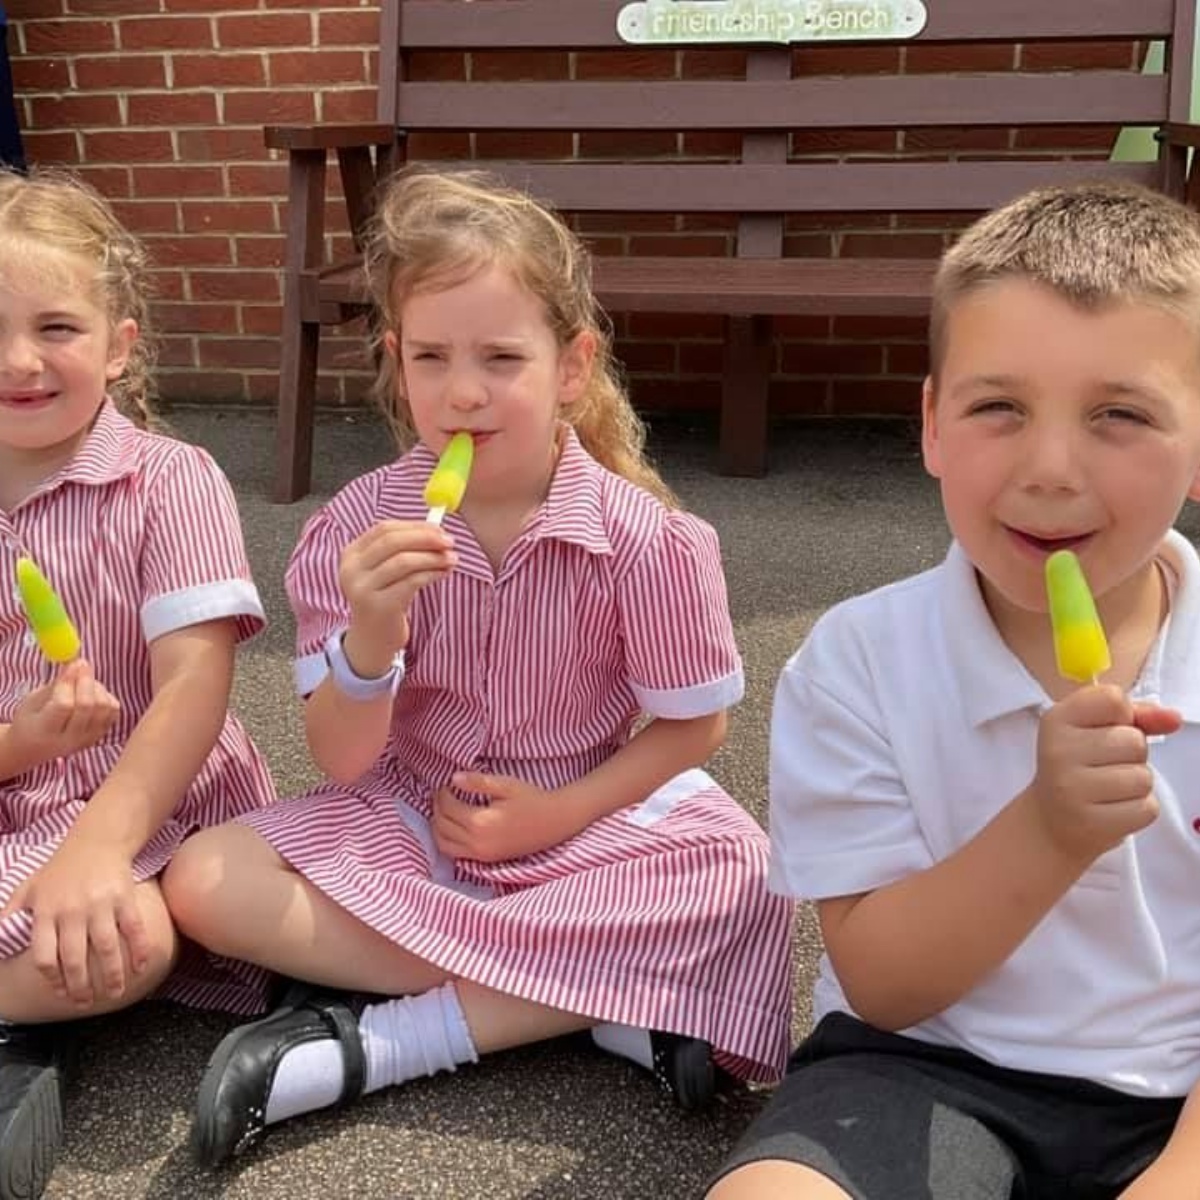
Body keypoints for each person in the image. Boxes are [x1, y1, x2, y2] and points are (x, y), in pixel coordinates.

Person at [163, 166, 794, 1167]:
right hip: (406, 807)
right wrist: (371, 641)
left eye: (502, 356)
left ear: (572, 365)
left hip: (588, 810)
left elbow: (694, 730)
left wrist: (558, 814)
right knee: (204, 879)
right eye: (431, 357)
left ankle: (377, 1043)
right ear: (395, 363)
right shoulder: (354, 530)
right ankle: (607, 1000)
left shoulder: (649, 540)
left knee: (751, 876)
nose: (462, 391)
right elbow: (337, 757)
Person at [707, 179, 1200, 1200]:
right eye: (999, 409)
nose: (1051, 469)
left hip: (1181, 1083)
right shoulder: (857, 665)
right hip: (923, 1068)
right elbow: (885, 987)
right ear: (931, 424)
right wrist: (1049, 831)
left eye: (1119, 413)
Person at [0, 170, 275, 1200]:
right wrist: (22, 742)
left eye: (56, 327)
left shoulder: (170, 481)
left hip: (147, 802)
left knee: (126, 943)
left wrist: (93, 851)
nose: (19, 362)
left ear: (118, 343)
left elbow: (192, 692)